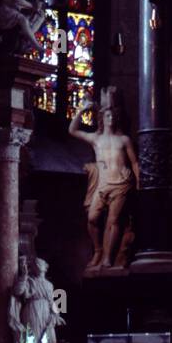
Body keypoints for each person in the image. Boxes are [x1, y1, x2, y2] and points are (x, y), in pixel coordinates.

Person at [71, 92, 140, 269]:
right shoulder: (96, 139)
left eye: (113, 115)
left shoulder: (124, 139)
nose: (111, 118)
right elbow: (72, 130)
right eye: (108, 115)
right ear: (102, 117)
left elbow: (134, 162)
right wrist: (83, 110)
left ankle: (108, 257)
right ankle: (98, 250)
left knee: (113, 221)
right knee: (92, 218)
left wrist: (139, 182)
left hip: (121, 183)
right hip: (103, 184)